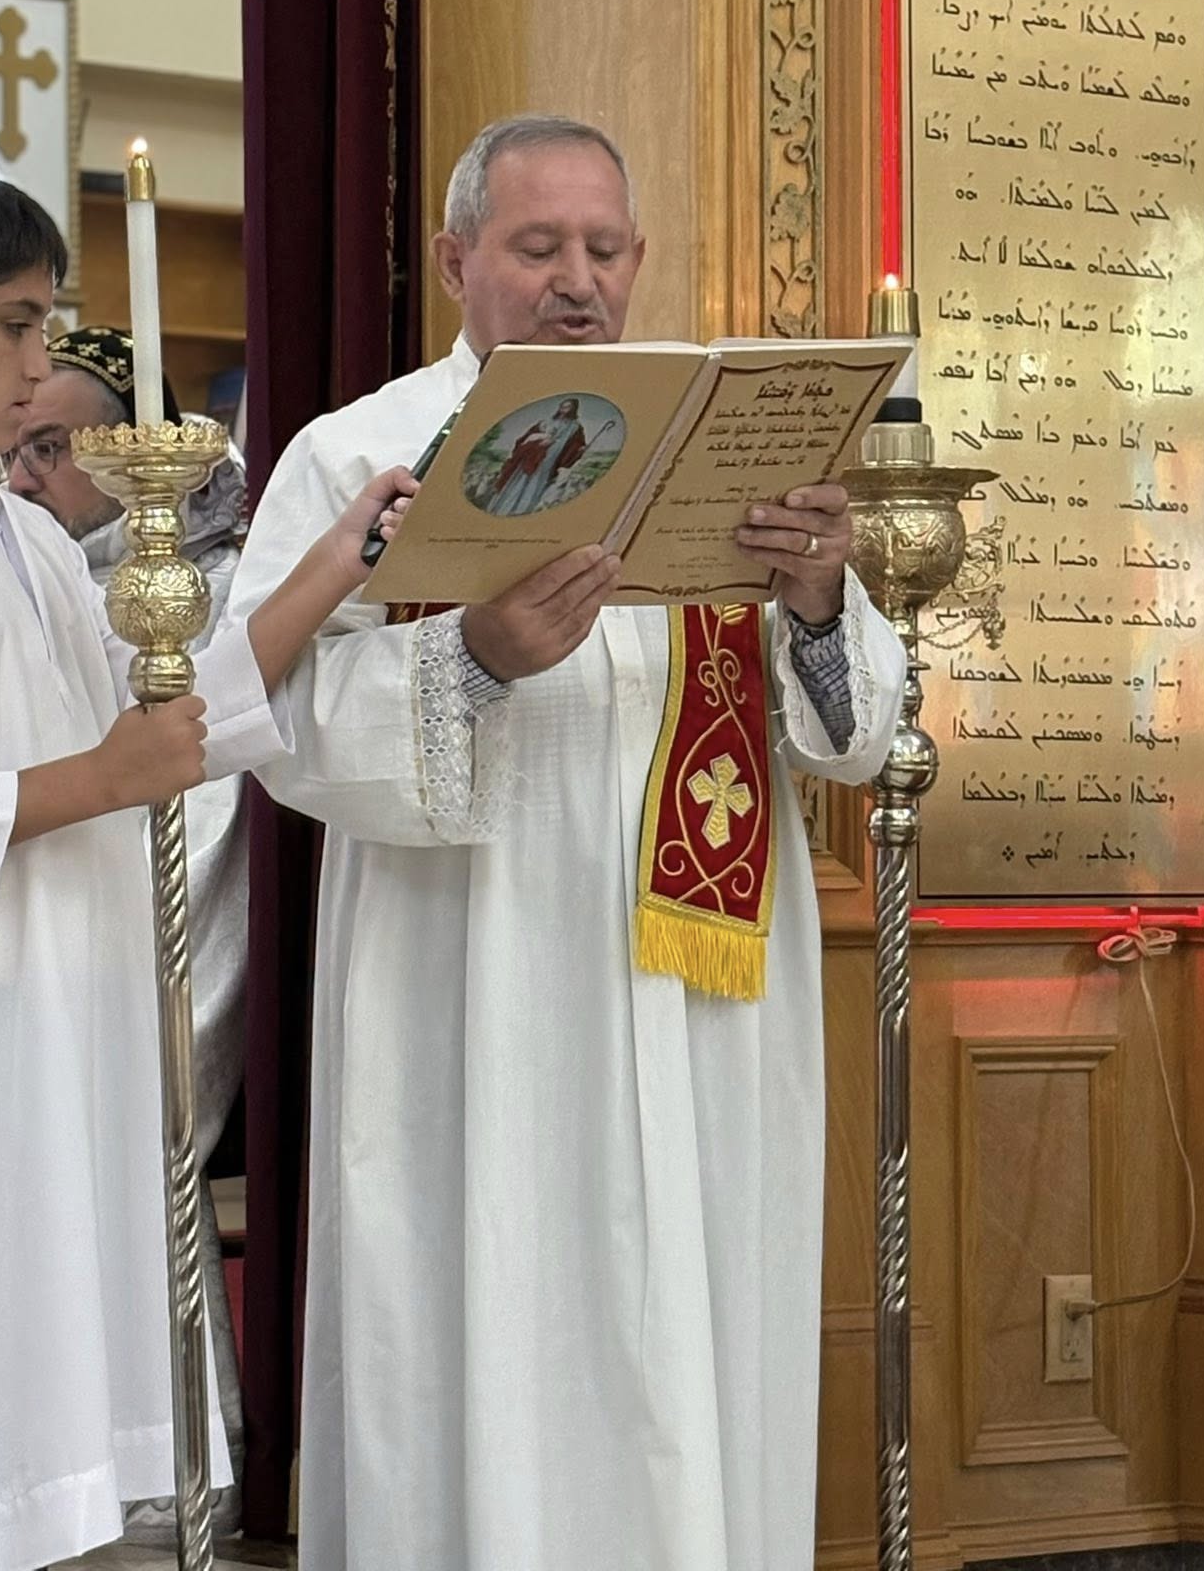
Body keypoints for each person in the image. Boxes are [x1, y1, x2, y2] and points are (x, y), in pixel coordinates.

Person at [228, 113, 908, 1571]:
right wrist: (470, 658)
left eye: (604, 248)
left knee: (694, 1333)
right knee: (491, 1327)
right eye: (538, 248)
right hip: (472, 1001)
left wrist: (812, 601)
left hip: (701, 1004)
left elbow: (850, 734)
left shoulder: (723, 434)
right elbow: (265, 714)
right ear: (457, 258)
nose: (577, 280)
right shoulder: (360, 453)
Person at [0, 163, 412, 1571]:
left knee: (35, 1446)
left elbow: (169, 699)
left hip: (29, 1034)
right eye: (21, 327)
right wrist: (106, 777)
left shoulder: (8, 527)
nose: (43, 367)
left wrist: (337, 565)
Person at [4, 323, 254, 1536]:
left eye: (55, 446)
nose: (27, 476)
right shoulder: (23, 570)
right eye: (18, 447)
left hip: (116, 937)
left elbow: (192, 836)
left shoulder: (192, 593)